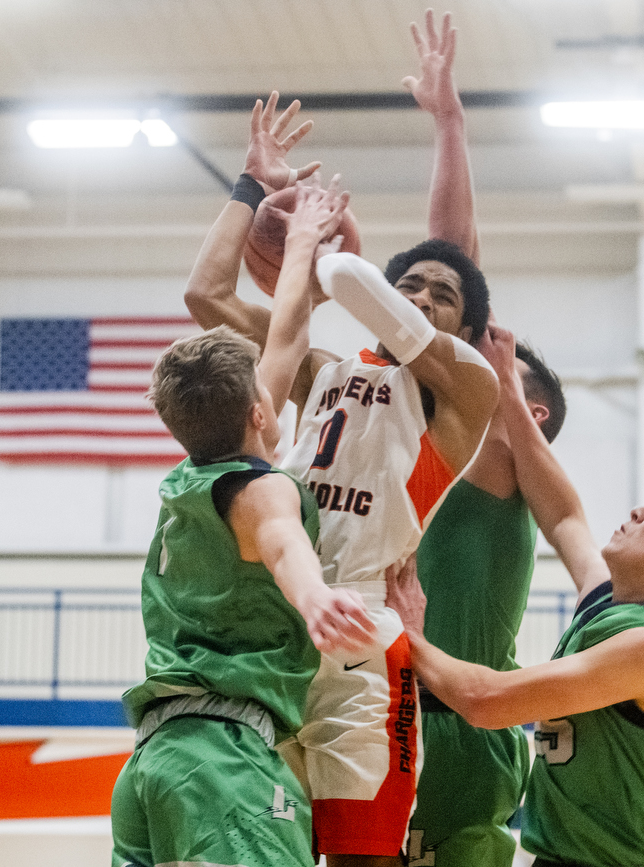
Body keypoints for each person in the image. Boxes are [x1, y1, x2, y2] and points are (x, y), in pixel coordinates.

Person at [182, 81, 498, 867]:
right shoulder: (322, 367)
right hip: (273, 626)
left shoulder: (465, 389)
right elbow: (205, 293)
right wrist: (251, 188)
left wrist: (323, 258)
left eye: (442, 292)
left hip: (360, 633)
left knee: (364, 858)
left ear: (465, 324)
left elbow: (360, 287)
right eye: (413, 282)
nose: (422, 294)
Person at [385, 322, 644, 867]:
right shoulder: (615, 603)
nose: (640, 510)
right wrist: (510, 394)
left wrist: (408, 633)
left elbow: (488, 701)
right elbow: (563, 513)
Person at [110, 180, 378, 867]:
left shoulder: (188, 481)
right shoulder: (262, 491)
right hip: (224, 765)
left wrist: (269, 209)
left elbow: (287, 329)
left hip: (154, 762)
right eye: (267, 388)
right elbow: (284, 545)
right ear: (260, 411)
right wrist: (315, 597)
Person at [395, 13, 568, 867]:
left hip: (459, 728)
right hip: (373, 704)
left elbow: (453, 265)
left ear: (527, 414)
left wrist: (450, 124)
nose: (488, 355)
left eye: (506, 360)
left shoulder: (497, 449)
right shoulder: (408, 430)